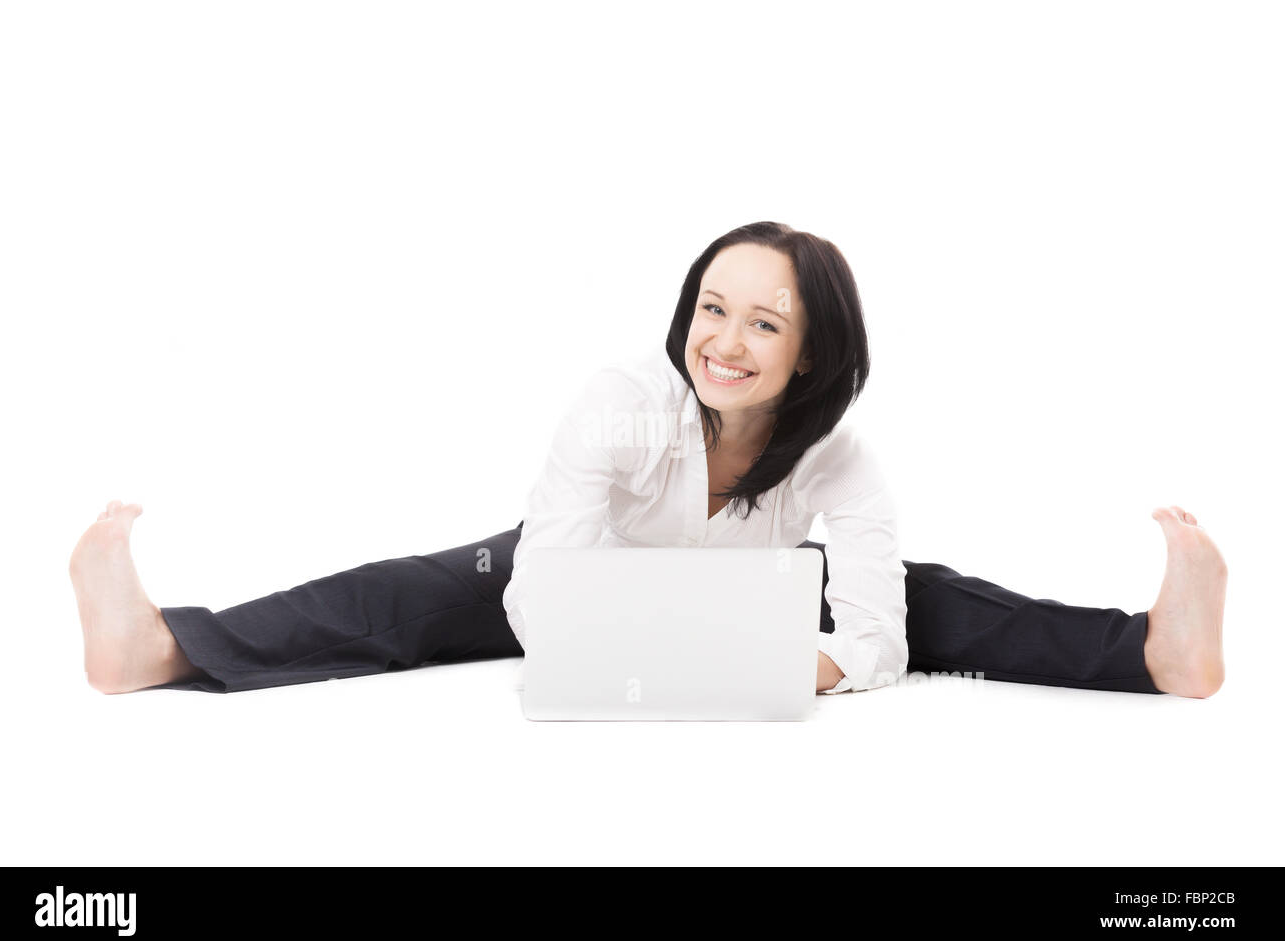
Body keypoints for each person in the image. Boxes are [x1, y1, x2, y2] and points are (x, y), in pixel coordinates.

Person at [68, 222, 1227, 699]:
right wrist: (645, 647)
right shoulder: (619, 404)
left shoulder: (843, 460)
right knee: (407, 594)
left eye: (763, 325)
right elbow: (543, 591)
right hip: (582, 575)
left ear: (814, 351)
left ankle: (1149, 651)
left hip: (760, 589)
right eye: (711, 308)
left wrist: (774, 662)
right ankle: (160, 643)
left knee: (940, 600)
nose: (722, 342)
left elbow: (875, 633)